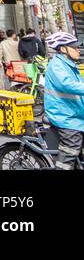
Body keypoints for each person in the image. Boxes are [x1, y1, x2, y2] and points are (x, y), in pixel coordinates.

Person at [42, 32, 84, 170]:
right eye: (74, 47)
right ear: (63, 49)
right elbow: (68, 85)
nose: (78, 50)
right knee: (72, 146)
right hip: (63, 115)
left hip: (74, 112)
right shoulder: (57, 65)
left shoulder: (69, 64)